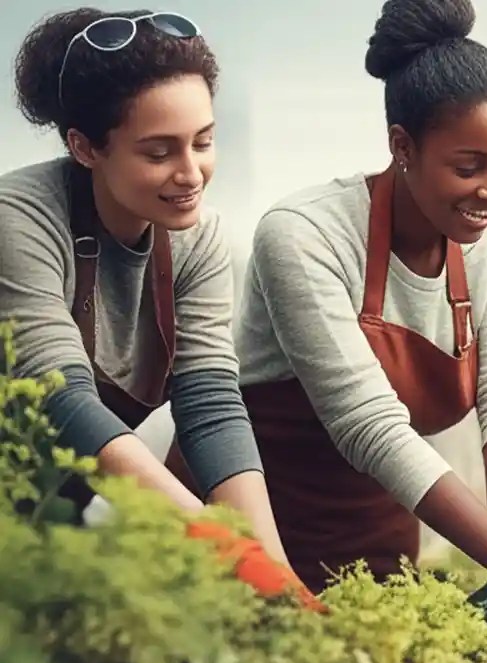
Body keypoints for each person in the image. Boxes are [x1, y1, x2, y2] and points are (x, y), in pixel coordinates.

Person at [167, 0, 487, 661]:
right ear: (402, 145)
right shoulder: (304, 235)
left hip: (377, 546)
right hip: (244, 535)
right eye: (469, 166)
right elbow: (366, 424)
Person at [0, 8, 317, 610]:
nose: (191, 173)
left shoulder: (197, 238)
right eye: (158, 152)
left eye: (204, 141)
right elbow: (60, 400)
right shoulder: (20, 217)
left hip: (57, 496)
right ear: (85, 147)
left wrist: (276, 574)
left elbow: (212, 406)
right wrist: (225, 548)